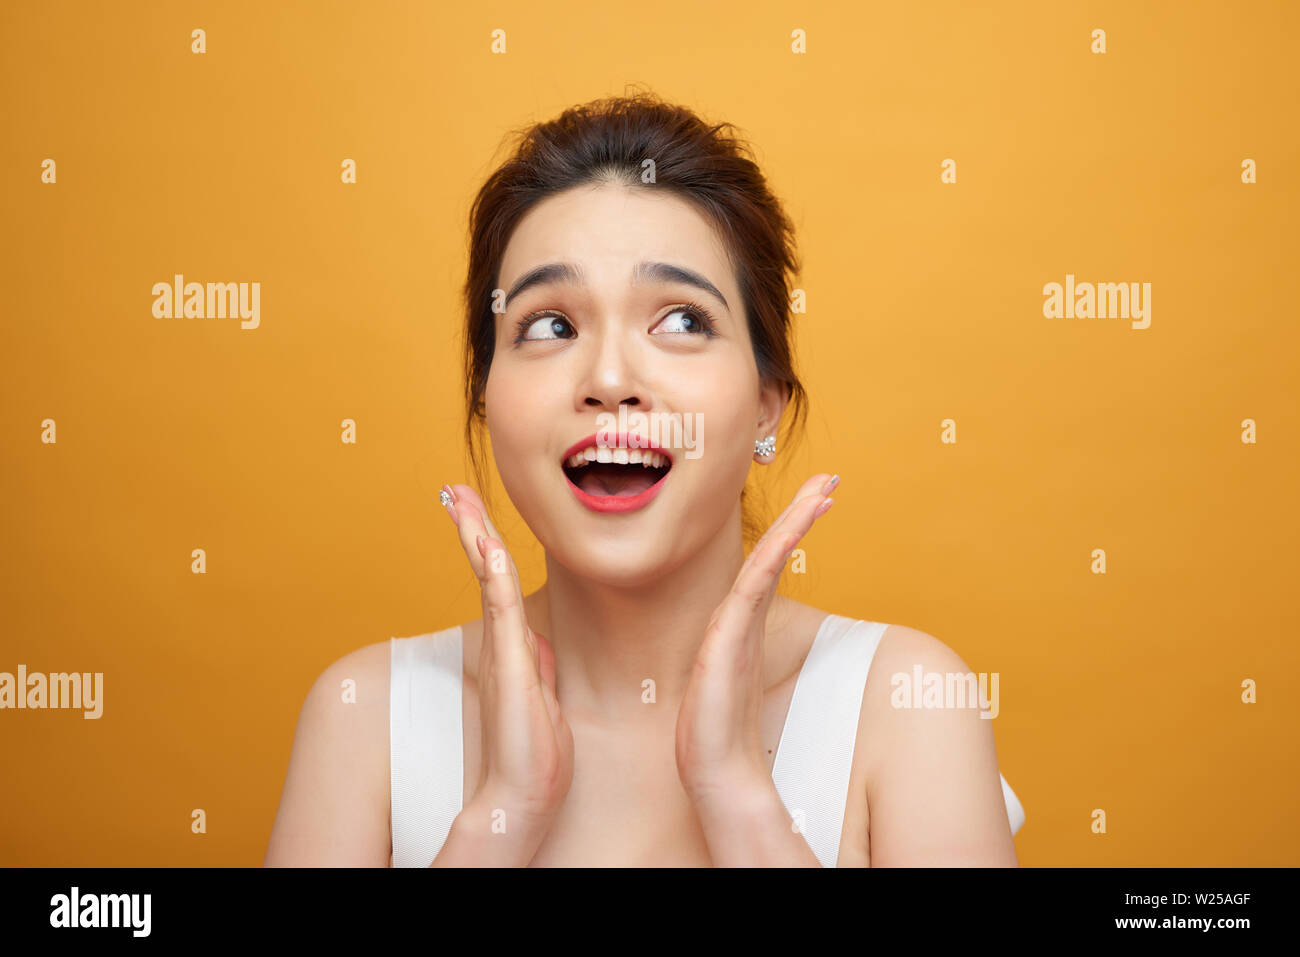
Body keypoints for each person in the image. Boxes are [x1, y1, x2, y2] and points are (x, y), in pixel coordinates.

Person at [264, 90, 1022, 867]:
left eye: (682, 320)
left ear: (766, 403)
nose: (611, 376)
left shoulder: (909, 702)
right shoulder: (363, 716)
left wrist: (738, 796)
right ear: (488, 400)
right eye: (551, 325)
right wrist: (503, 815)